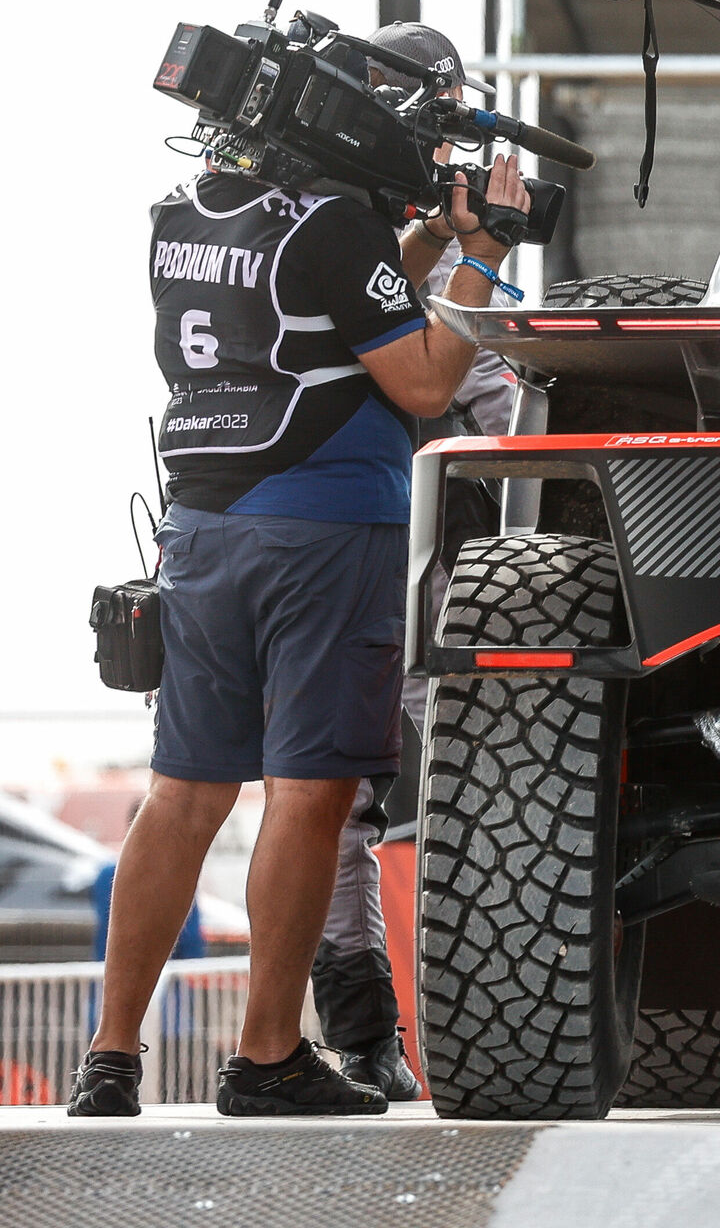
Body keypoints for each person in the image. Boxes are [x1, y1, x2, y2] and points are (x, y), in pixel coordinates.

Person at [71, 106, 524, 1118]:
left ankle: (110, 1057)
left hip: (201, 532)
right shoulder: (332, 226)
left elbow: (327, 297)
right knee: (308, 795)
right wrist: (482, 254)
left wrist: (428, 239)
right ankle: (268, 1057)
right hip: (325, 535)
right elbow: (422, 377)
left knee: (181, 794)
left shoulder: (191, 211)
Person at [305, 24, 529, 1102]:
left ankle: (365, 1039)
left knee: (333, 812)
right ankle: (369, 1037)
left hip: (344, 581)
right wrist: (479, 254)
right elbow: (501, 408)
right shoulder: (378, 258)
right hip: (394, 598)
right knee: (373, 809)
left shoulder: (317, 236)